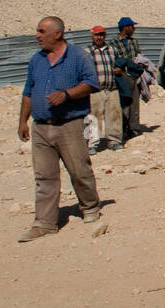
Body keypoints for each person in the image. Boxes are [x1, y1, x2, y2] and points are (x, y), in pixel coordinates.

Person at [16, 16, 103, 241]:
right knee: (44, 176)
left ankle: (90, 207)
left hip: (70, 125)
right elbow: (28, 91)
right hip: (41, 127)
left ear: (57, 34)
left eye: (41, 31)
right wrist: (22, 121)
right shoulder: (37, 60)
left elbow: (92, 83)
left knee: (79, 170)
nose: (37, 35)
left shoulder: (77, 56)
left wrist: (67, 95)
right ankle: (44, 223)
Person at [86, 25, 124, 153]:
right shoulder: (86, 52)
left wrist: (119, 70)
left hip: (112, 88)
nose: (99, 37)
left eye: (101, 34)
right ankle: (92, 144)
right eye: (97, 35)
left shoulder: (112, 50)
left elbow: (119, 65)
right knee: (93, 117)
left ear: (105, 35)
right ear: (92, 36)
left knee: (114, 115)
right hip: (95, 90)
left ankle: (114, 141)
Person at [110, 17, 144, 138]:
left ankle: (134, 128)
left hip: (134, 75)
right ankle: (123, 129)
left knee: (135, 103)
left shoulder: (134, 42)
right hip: (122, 75)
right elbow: (114, 59)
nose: (133, 29)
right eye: (131, 26)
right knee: (124, 103)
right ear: (125, 28)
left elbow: (138, 56)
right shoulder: (114, 43)